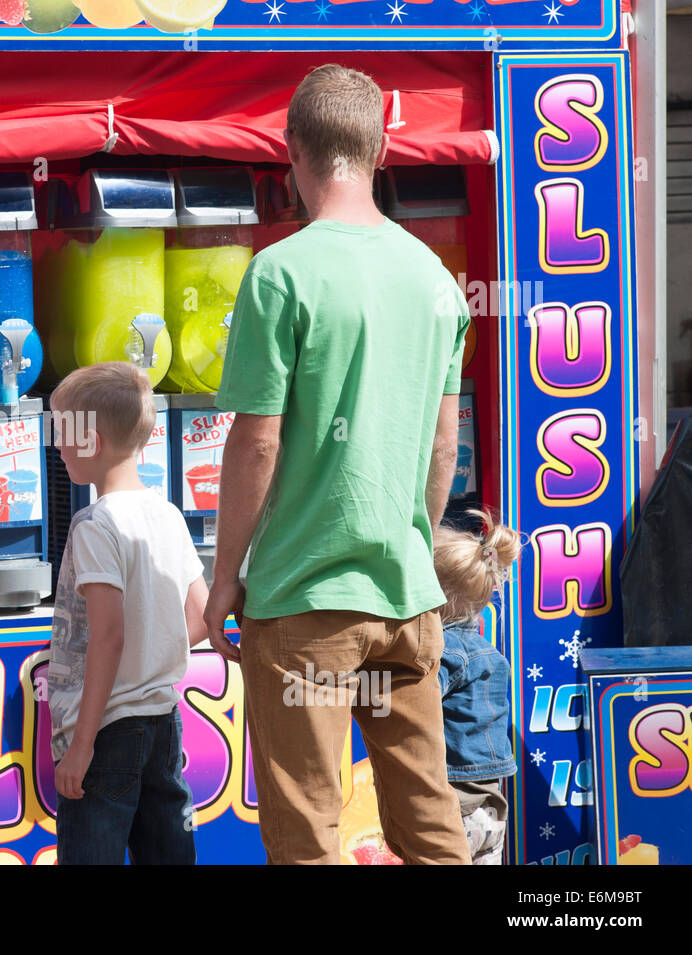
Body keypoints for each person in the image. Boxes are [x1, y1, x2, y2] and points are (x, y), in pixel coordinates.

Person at [203, 64, 473, 864]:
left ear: (292, 151)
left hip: (304, 602)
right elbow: (443, 446)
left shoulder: (280, 273)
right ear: (383, 147)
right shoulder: (435, 279)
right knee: (431, 823)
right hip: (404, 600)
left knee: (307, 833)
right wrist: (415, 552)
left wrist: (224, 576)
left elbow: (257, 442)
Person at [47, 362, 210, 865]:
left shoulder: (95, 524)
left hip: (106, 733)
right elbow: (202, 616)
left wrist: (81, 746)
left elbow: (109, 635)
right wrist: (150, 659)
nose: (57, 446)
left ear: (89, 441)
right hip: (164, 722)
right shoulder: (168, 513)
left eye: (62, 432)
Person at [433, 512, 521, 864]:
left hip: (456, 807)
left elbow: (411, 702)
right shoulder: (492, 654)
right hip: (491, 807)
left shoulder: (444, 652)